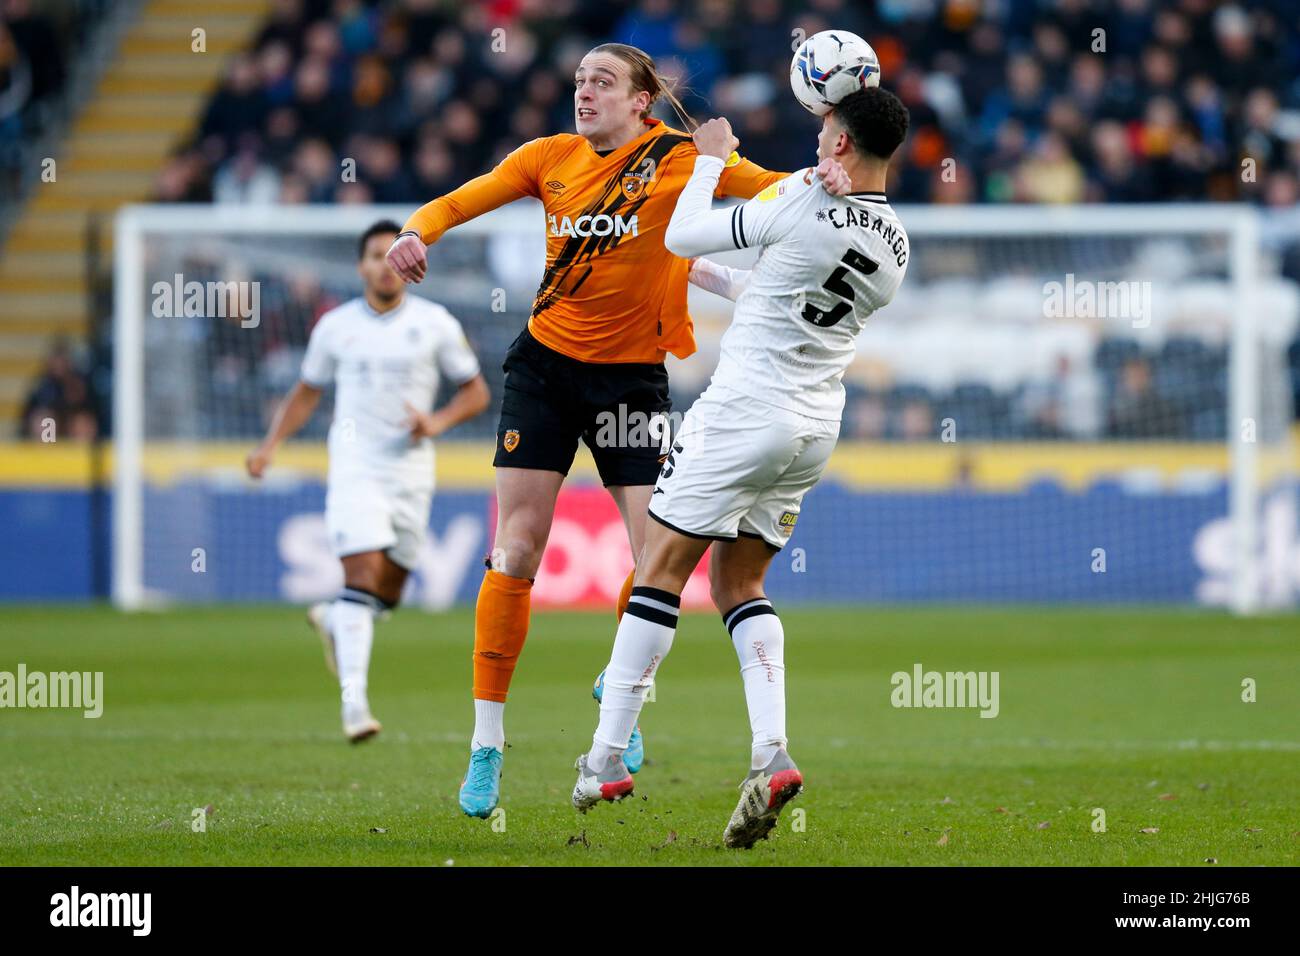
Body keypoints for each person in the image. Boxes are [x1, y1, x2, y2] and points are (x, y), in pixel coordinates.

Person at [385, 42, 851, 817]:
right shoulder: (548, 158)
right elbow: (465, 197)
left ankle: (622, 684)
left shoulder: (678, 158)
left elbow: (775, 194)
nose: (584, 92)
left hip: (633, 381)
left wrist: (827, 179)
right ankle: (487, 744)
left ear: (642, 100)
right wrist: (416, 231)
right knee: (516, 550)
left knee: (655, 555)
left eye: (602, 82)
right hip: (542, 372)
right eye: (577, 82)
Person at [572, 86, 911, 850]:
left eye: (824, 128)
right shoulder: (895, 245)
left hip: (741, 414)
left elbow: (685, 234)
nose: (816, 136)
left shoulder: (801, 199)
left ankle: (603, 761)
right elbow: (786, 288)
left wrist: (711, 161)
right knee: (737, 585)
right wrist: (722, 280)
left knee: (659, 571)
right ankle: (771, 753)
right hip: (812, 429)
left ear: (841, 145)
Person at [246, 220, 490, 742]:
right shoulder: (335, 327)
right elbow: (307, 392)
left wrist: (436, 423)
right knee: (360, 576)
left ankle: (335, 620)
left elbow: (476, 392)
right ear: (360, 266)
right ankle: (354, 705)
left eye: (393, 254)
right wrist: (269, 447)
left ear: (411, 263)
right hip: (355, 466)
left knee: (388, 592)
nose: (385, 264)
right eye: (376, 255)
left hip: (412, 470)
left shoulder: (436, 323)